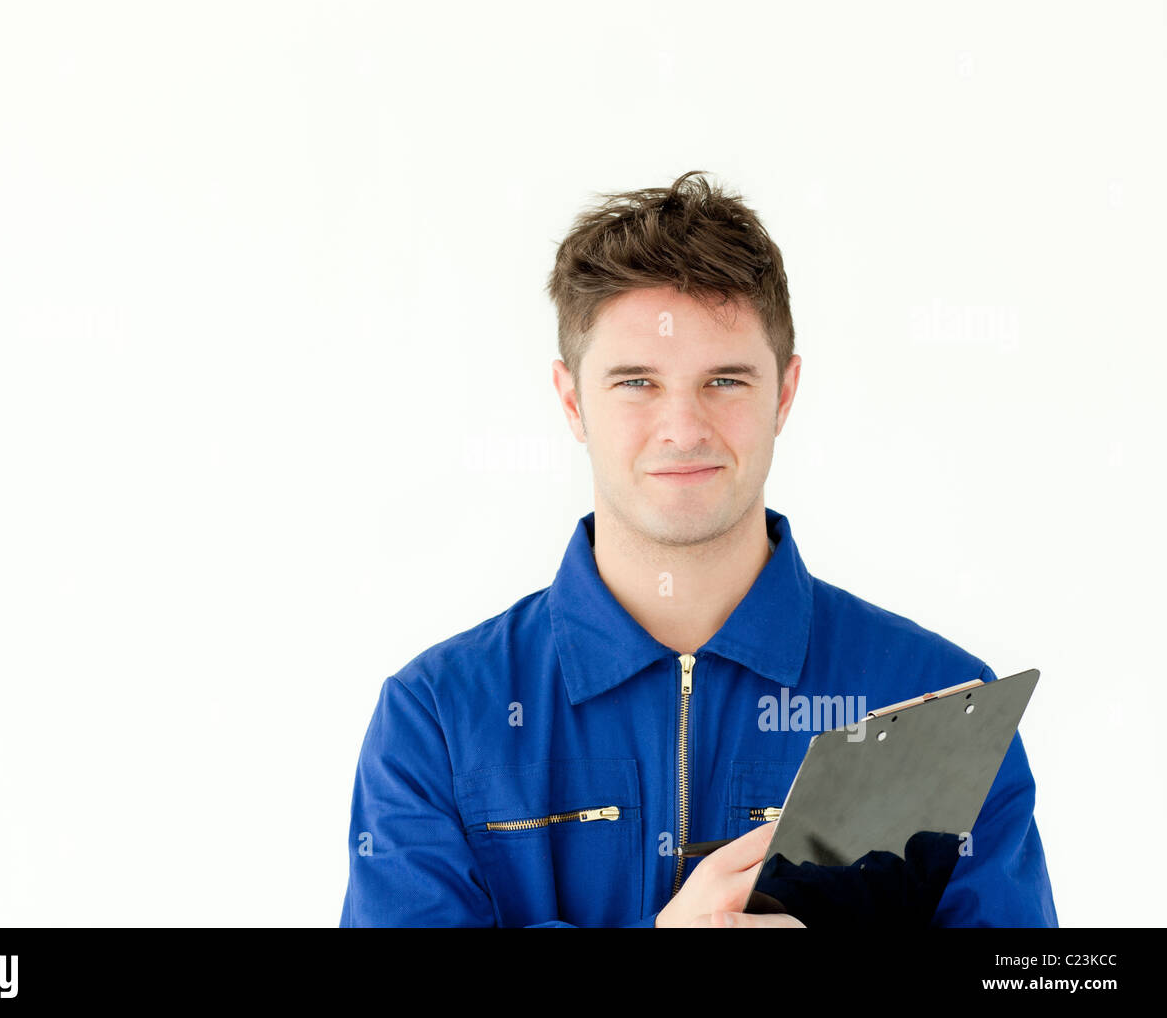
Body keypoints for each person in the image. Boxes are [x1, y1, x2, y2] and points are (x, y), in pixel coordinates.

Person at [338, 170, 1057, 927]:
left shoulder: (940, 706)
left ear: (784, 393)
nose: (682, 429)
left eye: (723, 380)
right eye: (637, 382)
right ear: (572, 401)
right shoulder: (439, 719)